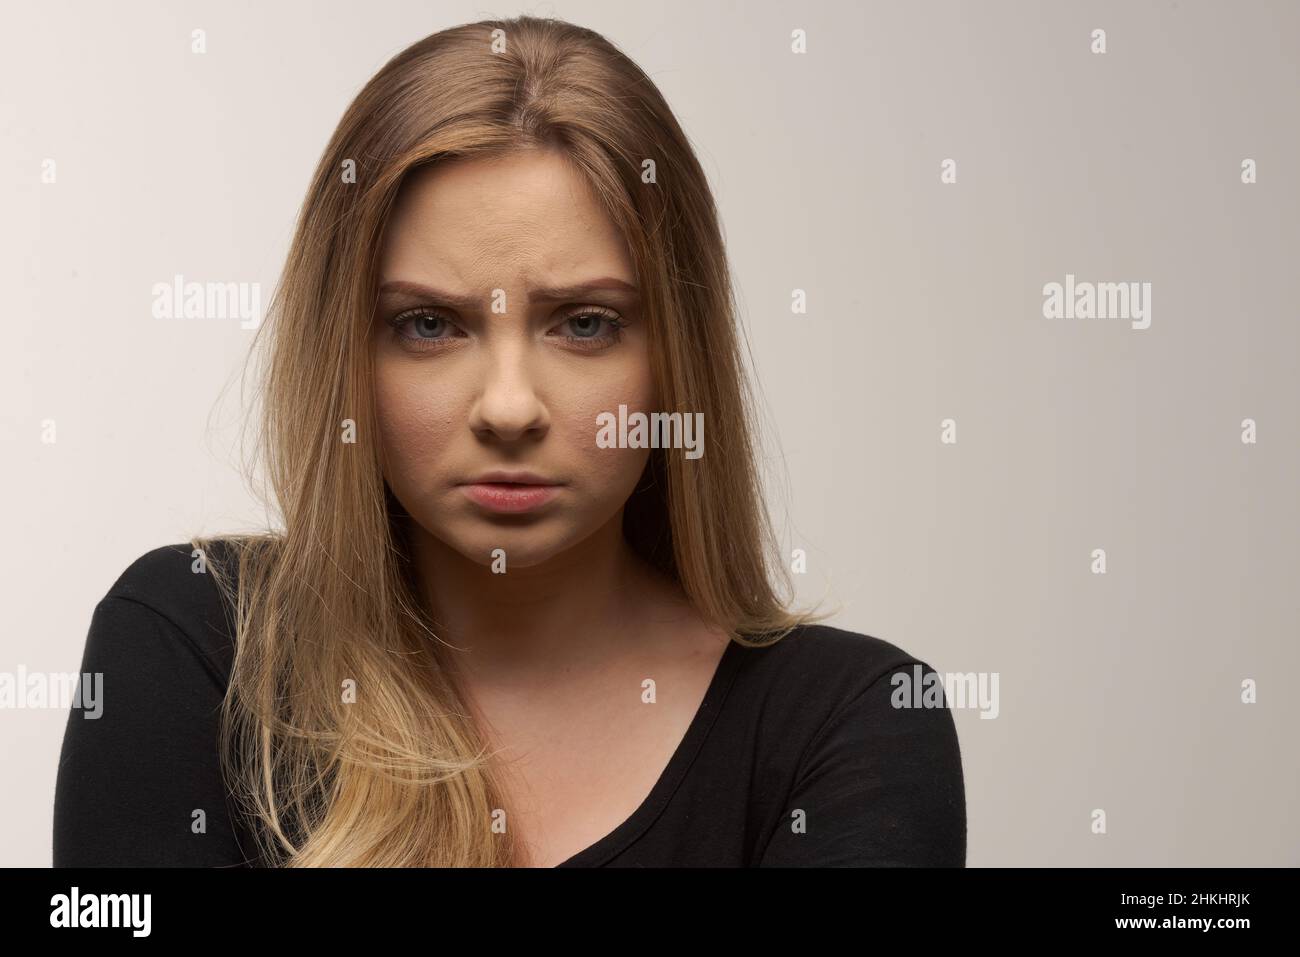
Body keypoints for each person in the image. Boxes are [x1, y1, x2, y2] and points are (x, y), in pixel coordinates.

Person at [53, 14, 966, 867]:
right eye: (427, 325)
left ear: (676, 358)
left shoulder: (853, 722)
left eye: (583, 323)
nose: (509, 406)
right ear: (345, 356)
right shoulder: (201, 647)